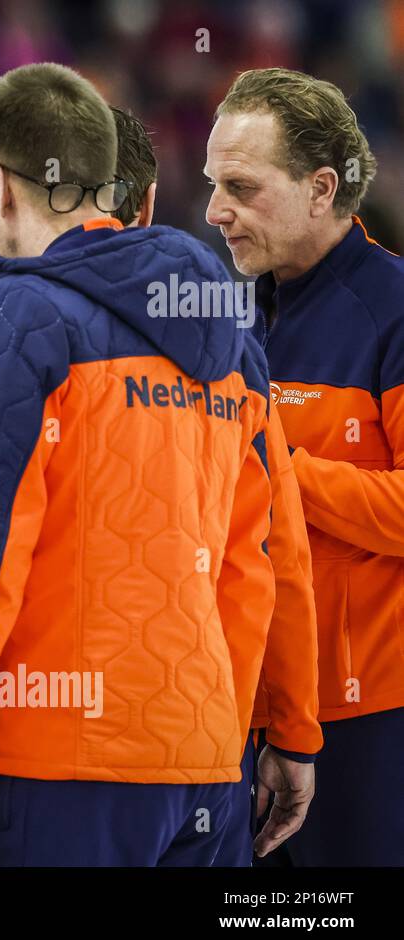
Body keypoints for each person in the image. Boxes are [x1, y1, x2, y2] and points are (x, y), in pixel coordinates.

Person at [0, 63, 274, 867]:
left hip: (55, 763)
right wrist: (249, 735)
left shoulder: (15, 316)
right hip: (206, 763)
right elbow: (255, 566)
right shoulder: (234, 339)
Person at [107, 106, 320, 866]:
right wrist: (290, 729)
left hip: (53, 752)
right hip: (208, 746)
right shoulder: (236, 351)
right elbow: (276, 557)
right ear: (147, 202)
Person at [206, 67, 404, 865]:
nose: (216, 211)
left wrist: (276, 467)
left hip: (368, 713)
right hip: (239, 707)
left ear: (322, 189)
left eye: (243, 188)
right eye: (215, 185)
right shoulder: (222, 311)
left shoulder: (390, 310)